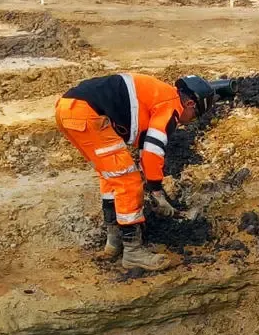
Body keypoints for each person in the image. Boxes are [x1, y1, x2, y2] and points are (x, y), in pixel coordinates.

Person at [55, 73, 214, 272]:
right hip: (86, 114)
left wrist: (153, 186)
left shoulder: (158, 93)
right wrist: (156, 191)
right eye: (193, 117)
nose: (187, 122)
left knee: (110, 177)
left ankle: (114, 242)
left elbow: (144, 149)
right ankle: (133, 252)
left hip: (68, 109)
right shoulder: (172, 106)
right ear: (190, 103)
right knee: (128, 180)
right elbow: (153, 149)